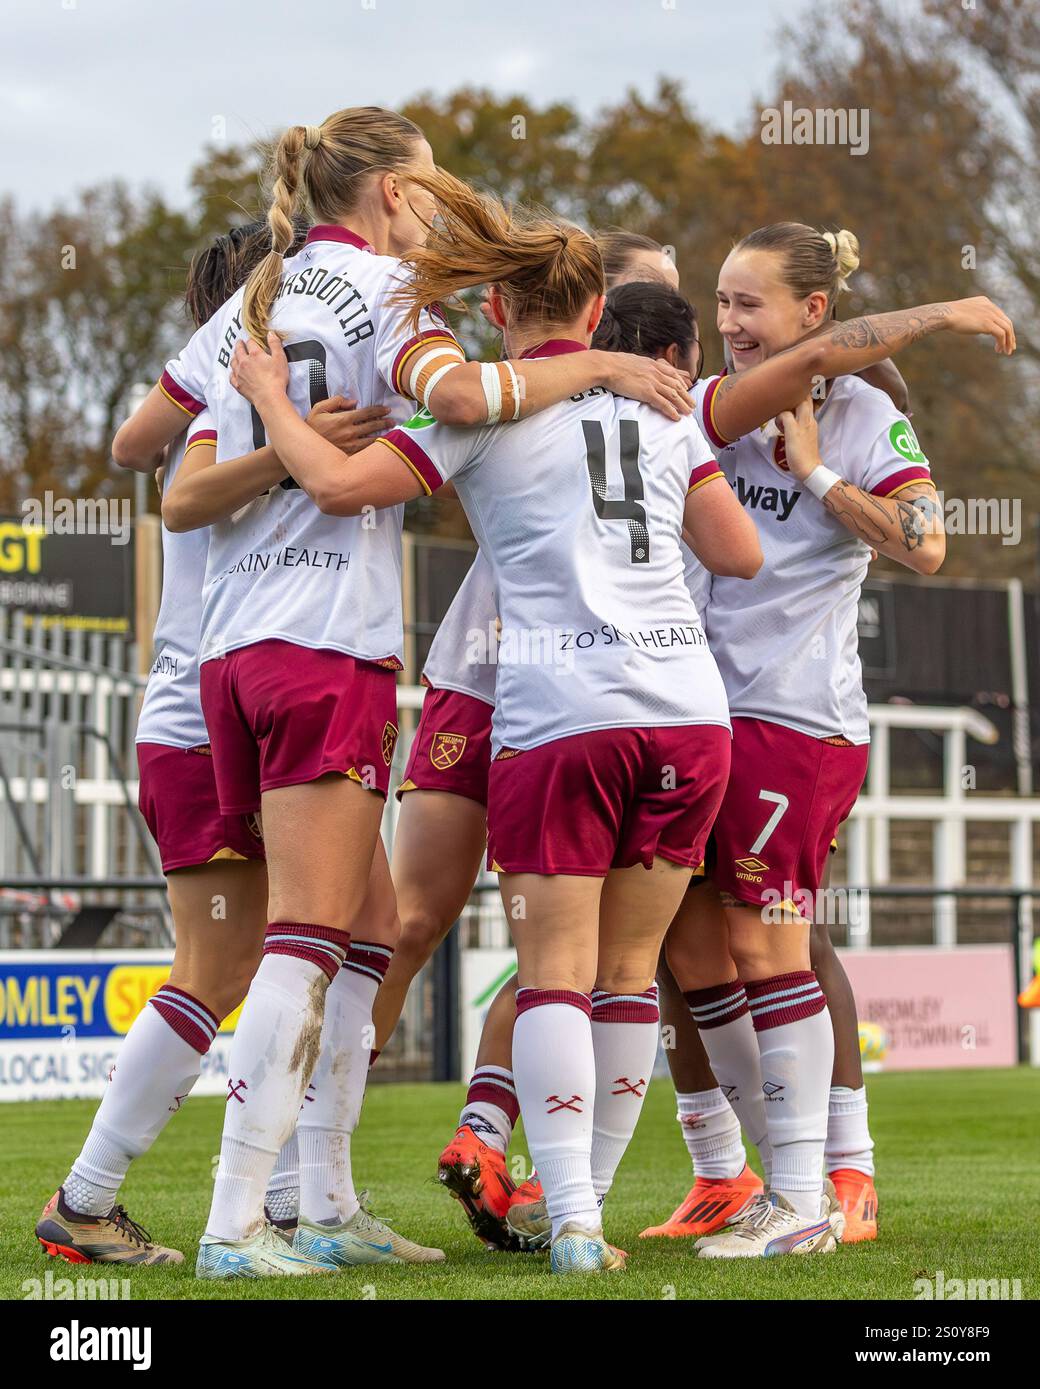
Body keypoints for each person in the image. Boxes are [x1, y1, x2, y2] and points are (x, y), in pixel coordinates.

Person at [112, 107, 692, 1280]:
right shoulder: (390, 298)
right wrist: (604, 363)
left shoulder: (258, 299)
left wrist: (267, 420)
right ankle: (240, 1223)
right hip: (329, 648)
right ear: (387, 195)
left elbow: (140, 449)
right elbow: (468, 401)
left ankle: (322, 1197)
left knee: (368, 931)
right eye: (424, 187)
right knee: (307, 938)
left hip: (224, 653)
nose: (433, 205)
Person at [228, 168, 762, 1272]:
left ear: (497, 309)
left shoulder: (470, 414)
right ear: (596, 316)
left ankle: (564, 1220)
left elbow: (335, 486)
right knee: (629, 971)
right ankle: (594, 1211)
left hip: (560, 711)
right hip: (687, 716)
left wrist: (275, 405)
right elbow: (737, 554)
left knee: (555, 971)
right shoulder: (665, 414)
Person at [659, 222, 1014, 1258]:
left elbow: (929, 548)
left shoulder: (860, 417)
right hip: (693, 714)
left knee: (770, 947)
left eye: (747, 305)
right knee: (687, 951)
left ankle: (808, 1196)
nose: (726, 324)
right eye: (718, 303)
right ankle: (782, 1180)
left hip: (792, 723)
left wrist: (812, 473)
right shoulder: (705, 409)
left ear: (812, 316)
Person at [369, 232, 686, 1251]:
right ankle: (312, 1165)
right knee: (430, 923)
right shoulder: (505, 394)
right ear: (597, 314)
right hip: (497, 678)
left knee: (561, 950)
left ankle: (483, 1131)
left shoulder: (639, 407)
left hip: (558, 697)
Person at [33, 222, 295, 1269]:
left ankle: (288, 1196)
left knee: (304, 948)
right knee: (227, 964)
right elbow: (135, 447)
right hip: (201, 721)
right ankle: (89, 1197)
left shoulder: (224, 409)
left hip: (206, 716)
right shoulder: (221, 411)